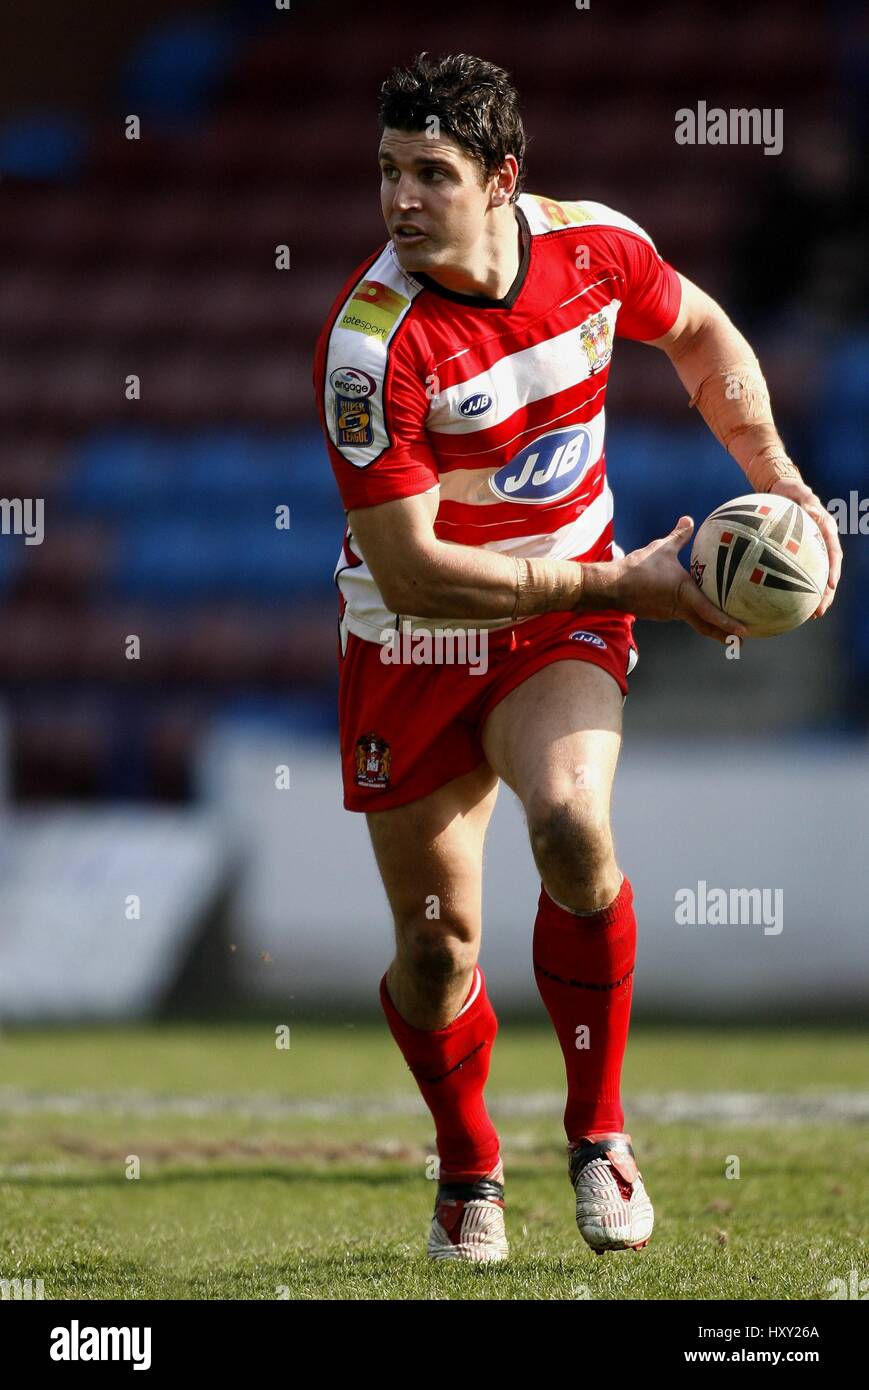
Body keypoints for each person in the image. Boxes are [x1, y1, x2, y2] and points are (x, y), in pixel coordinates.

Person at [311, 52, 842, 1262]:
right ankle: (466, 1169)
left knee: (567, 826)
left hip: (556, 625)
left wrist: (785, 489)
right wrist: (633, 584)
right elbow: (413, 573)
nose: (398, 200)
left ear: (501, 180)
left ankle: (597, 1135)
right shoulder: (369, 346)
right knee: (437, 947)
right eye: (386, 172)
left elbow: (701, 334)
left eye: (429, 175)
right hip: (415, 634)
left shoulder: (595, 249)